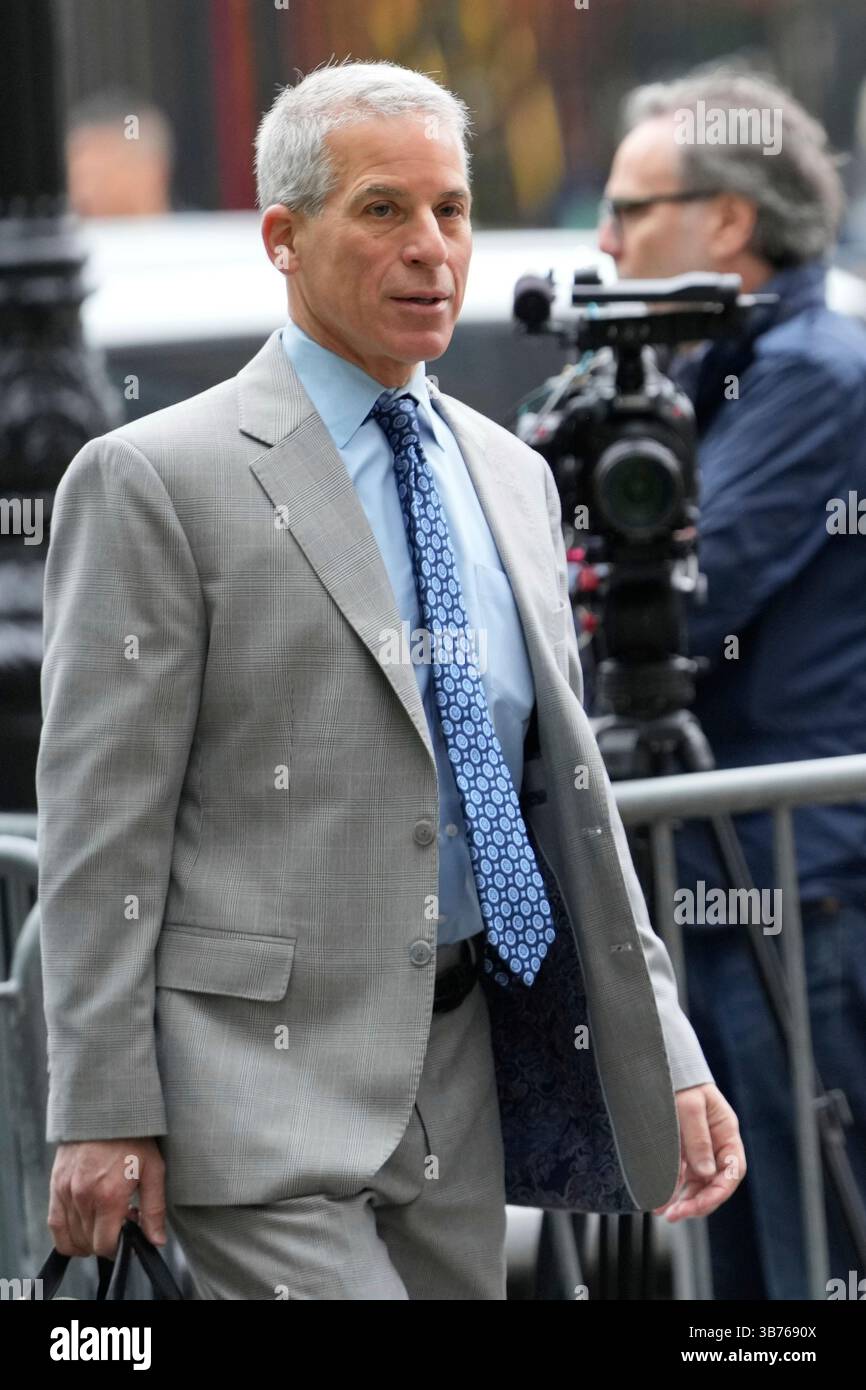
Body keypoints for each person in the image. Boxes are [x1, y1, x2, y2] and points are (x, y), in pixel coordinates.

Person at [37, 59, 744, 1301]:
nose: (430, 248)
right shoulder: (151, 477)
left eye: (451, 210)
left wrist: (667, 1049)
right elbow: (102, 835)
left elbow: (561, 802)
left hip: (459, 1091)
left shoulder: (511, 474)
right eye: (382, 210)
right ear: (283, 235)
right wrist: (99, 1110)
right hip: (251, 1100)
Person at [598, 66, 866, 1299]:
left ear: (726, 224)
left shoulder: (811, 369)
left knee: (801, 1257)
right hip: (724, 879)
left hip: (791, 892)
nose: (604, 243)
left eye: (629, 210)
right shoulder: (712, 372)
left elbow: (681, 601)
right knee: (736, 1263)